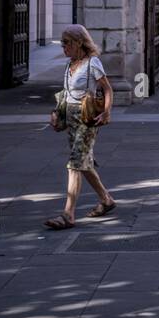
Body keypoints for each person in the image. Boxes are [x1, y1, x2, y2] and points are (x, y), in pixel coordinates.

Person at [46, 25, 114, 229]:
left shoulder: (93, 63)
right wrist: (57, 113)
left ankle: (68, 214)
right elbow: (66, 92)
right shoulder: (70, 64)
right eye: (62, 43)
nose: (63, 47)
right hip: (71, 119)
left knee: (75, 163)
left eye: (66, 43)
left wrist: (107, 111)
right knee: (84, 163)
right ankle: (106, 199)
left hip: (87, 119)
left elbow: (107, 89)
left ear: (78, 42)